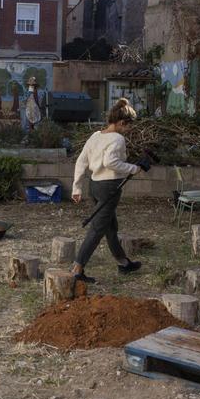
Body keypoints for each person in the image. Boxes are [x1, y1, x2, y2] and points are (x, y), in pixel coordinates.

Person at [69, 98, 151, 283]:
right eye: (129, 125)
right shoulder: (117, 138)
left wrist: (77, 187)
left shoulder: (96, 136)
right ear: (121, 122)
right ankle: (77, 269)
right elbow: (110, 162)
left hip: (94, 186)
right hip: (109, 188)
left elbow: (81, 161)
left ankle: (123, 263)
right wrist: (133, 168)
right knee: (97, 229)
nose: (129, 129)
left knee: (110, 226)